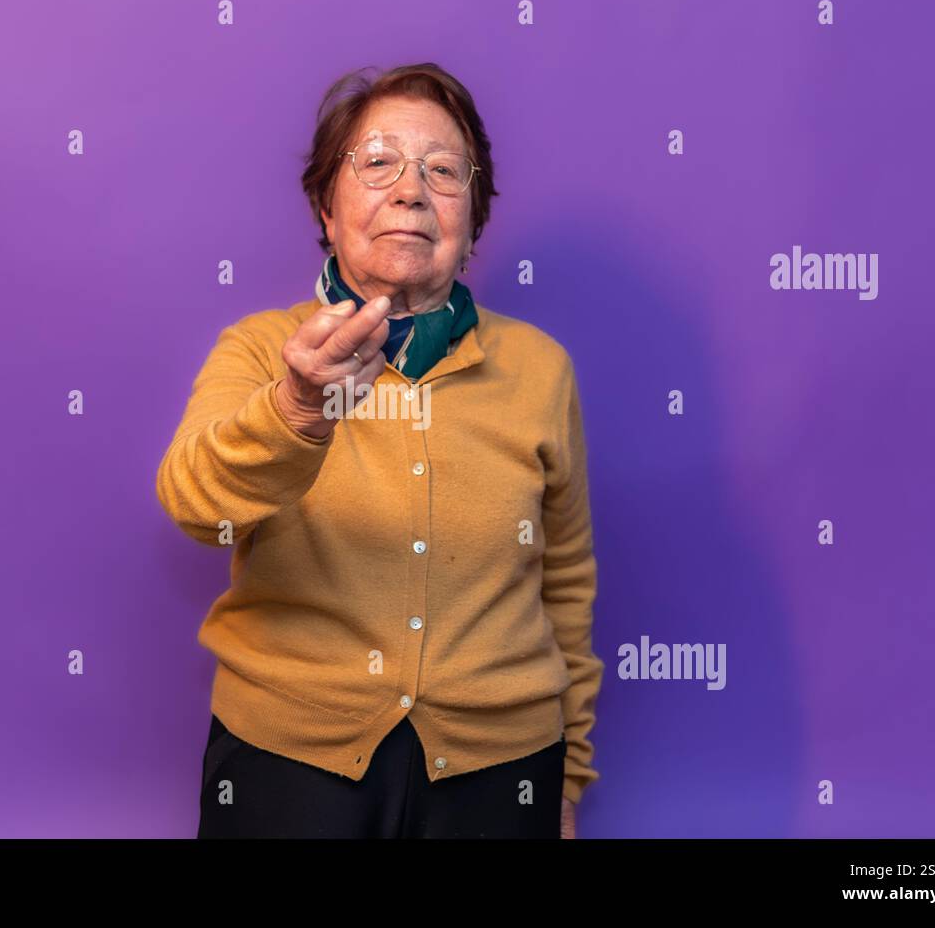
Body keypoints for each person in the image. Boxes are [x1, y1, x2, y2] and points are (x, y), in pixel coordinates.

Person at [157, 62, 604, 838]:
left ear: (473, 219)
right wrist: (298, 408)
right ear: (326, 209)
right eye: (377, 163)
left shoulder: (542, 368)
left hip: (502, 770)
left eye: (442, 170)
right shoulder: (262, 349)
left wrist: (567, 781)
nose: (411, 190)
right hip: (288, 763)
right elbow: (196, 506)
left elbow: (564, 582)